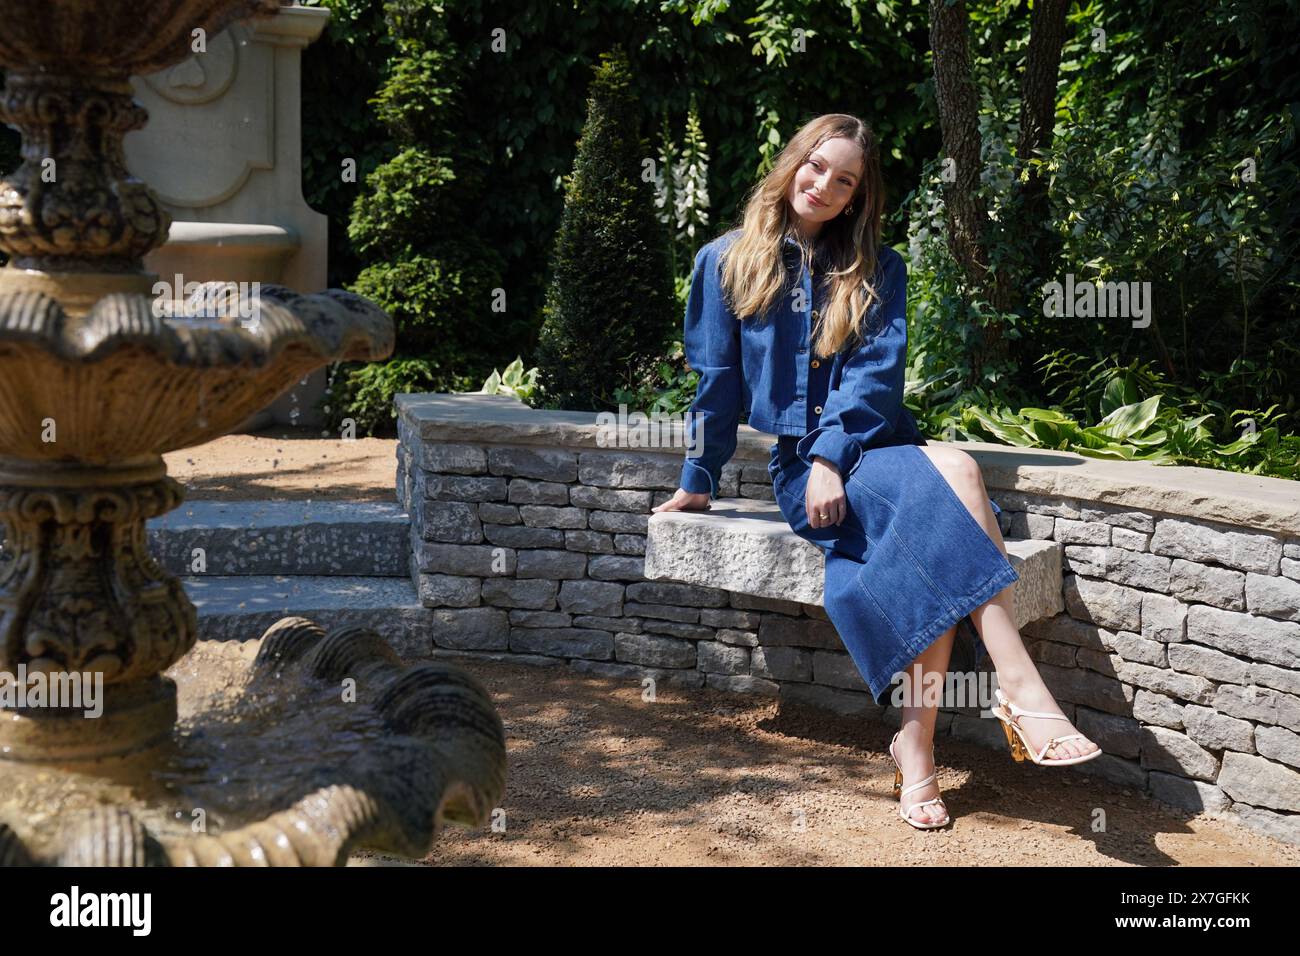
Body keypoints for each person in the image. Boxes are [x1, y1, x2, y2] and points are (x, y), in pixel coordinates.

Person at [652, 113, 1101, 830]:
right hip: (802, 467)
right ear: (793, 161)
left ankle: (929, 737)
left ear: (859, 197)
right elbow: (717, 385)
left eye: (846, 180)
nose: (825, 186)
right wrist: (698, 479)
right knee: (952, 482)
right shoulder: (725, 261)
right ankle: (994, 702)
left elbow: (875, 380)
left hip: (872, 449)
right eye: (817, 167)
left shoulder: (876, 268)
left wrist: (838, 453)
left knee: (950, 474)